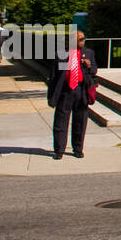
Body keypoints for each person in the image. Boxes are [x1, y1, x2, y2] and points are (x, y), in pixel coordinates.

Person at [47, 30, 98, 160]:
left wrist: (89, 65)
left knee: (80, 121)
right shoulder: (61, 54)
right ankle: (59, 150)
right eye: (80, 39)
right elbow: (53, 76)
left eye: (84, 39)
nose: (83, 41)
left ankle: (78, 149)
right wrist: (51, 96)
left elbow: (94, 71)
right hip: (66, 91)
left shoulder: (89, 53)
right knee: (61, 122)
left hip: (81, 91)